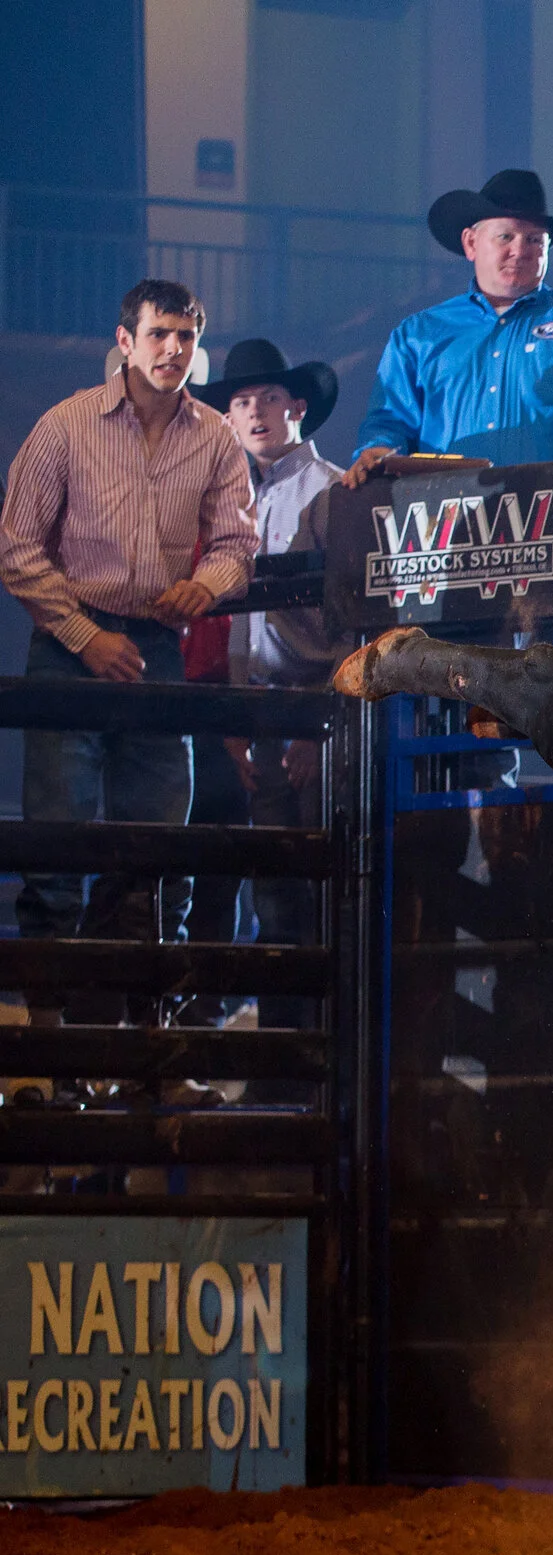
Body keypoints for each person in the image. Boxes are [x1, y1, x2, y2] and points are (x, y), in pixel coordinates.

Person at [0, 278, 255, 1020]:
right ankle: (47, 1049)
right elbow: (16, 547)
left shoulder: (213, 435)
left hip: (153, 642)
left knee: (158, 850)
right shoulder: (66, 424)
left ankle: (149, 1046)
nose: (174, 349)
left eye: (186, 336)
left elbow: (238, 542)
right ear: (125, 342)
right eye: (159, 334)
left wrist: (203, 586)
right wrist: (86, 636)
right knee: (59, 845)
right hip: (68, 641)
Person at [202, 338, 349, 1037]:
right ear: (227, 419)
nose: (253, 411)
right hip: (262, 706)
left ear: (297, 407)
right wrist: (238, 713)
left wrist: (324, 725)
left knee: (323, 884)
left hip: (317, 709)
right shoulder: (229, 498)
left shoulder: (334, 490)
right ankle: (286, 1053)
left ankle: (321, 1056)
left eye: (265, 398)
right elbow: (237, 622)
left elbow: (355, 622)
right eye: (239, 402)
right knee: (274, 886)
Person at [344, 168, 553, 484]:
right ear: (471, 242)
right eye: (506, 236)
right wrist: (377, 453)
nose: (520, 251)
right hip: (445, 517)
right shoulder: (418, 335)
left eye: (534, 239)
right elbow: (389, 424)